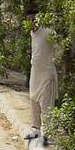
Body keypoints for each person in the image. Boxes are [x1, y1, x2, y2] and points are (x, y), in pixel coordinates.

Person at [25, 11, 60, 142]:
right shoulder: (32, 33)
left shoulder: (49, 32)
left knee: (46, 105)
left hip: (46, 73)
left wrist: (54, 60)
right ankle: (35, 129)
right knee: (33, 100)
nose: (31, 23)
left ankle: (47, 133)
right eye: (28, 20)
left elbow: (59, 48)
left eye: (33, 19)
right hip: (35, 72)